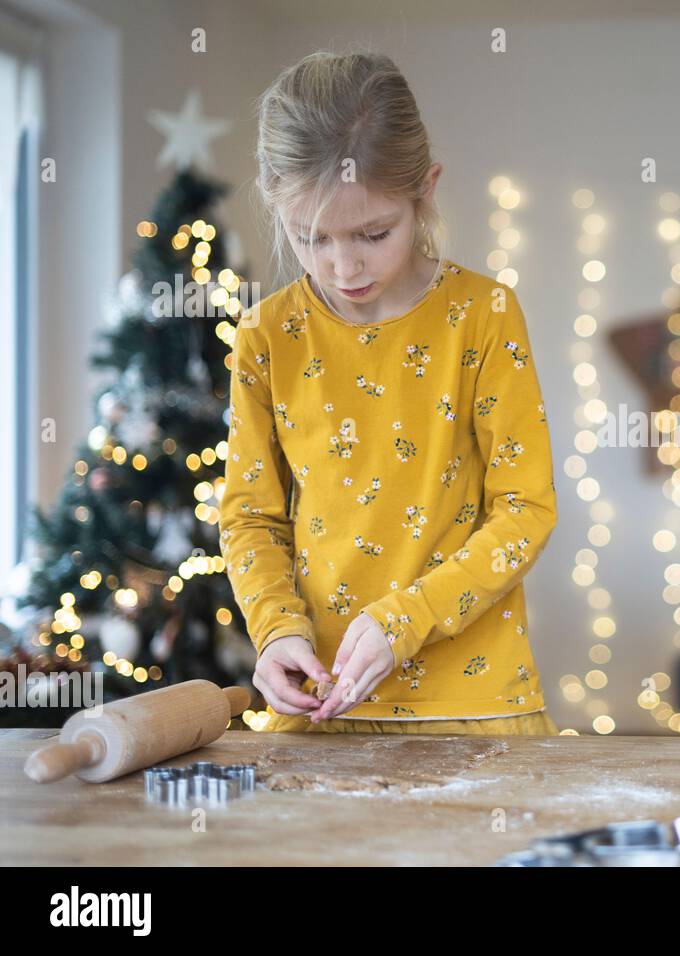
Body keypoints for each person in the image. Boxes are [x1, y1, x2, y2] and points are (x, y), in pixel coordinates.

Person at [220, 49, 559, 735]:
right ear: (271, 201)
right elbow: (251, 518)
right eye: (310, 237)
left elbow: (525, 510)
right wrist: (276, 629)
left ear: (425, 191)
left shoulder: (484, 314)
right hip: (322, 707)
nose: (343, 266)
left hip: (476, 705)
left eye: (374, 234)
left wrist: (405, 619)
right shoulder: (266, 335)